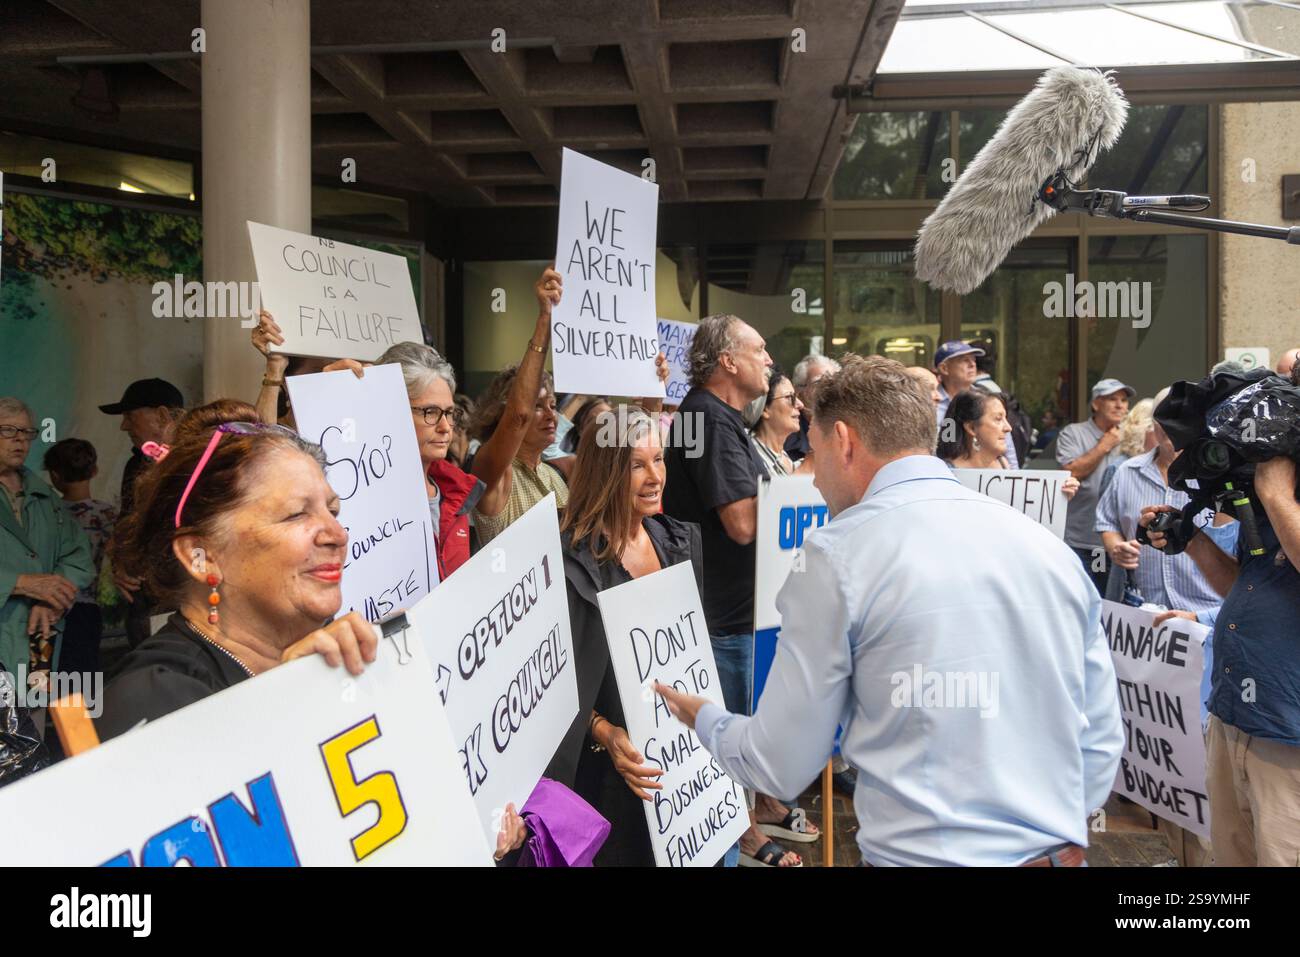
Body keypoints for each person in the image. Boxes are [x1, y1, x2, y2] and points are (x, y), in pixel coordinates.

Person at [656, 355, 1124, 866]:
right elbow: (1100, 732)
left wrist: (703, 717)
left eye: (814, 454)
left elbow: (779, 765)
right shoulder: (1044, 545)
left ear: (843, 441)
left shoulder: (836, 557)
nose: (813, 480)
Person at [99, 401, 530, 859]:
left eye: (333, 509)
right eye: (295, 515)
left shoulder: (343, 661)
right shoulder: (148, 703)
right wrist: (289, 711)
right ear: (202, 555)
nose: (337, 533)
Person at [662, 314, 817, 867]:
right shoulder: (708, 418)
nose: (769, 359)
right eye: (759, 348)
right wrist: (816, 473)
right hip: (723, 619)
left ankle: (740, 834)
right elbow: (745, 524)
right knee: (725, 748)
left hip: (732, 612)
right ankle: (733, 844)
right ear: (728, 360)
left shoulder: (718, 419)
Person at [549, 404, 701, 865]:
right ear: (607, 472)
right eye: (637, 465)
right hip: (607, 779)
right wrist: (604, 732)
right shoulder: (572, 564)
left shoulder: (678, 541)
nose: (654, 476)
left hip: (677, 768)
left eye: (658, 460)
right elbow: (557, 685)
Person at [1141, 452, 1300, 867]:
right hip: (1232, 714)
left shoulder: (1277, 490)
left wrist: (1276, 494)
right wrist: (1192, 540)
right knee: (1231, 856)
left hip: (1288, 733)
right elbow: (1247, 586)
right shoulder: (1277, 488)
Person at [0, 398, 95, 686]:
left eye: (27, 433)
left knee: (32, 727)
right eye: (8, 431)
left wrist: (52, 594)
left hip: (34, 648)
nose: (20, 441)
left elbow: (78, 556)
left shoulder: (45, 497)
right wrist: (19, 583)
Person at [99, 377, 184, 648]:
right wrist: (120, 563)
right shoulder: (135, 464)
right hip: (143, 603)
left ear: (161, 415)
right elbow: (126, 524)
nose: (124, 426)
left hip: (184, 598)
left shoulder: (196, 460)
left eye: (129, 416)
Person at [42, 438, 116, 677]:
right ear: (94, 471)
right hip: (89, 609)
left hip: (50, 606)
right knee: (84, 676)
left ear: (54, 475)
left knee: (49, 675)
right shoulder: (108, 514)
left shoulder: (47, 512)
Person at [1056, 378, 1134, 590]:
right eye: (1112, 399)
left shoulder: (1132, 436)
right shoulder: (1073, 433)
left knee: (1115, 606)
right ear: (1096, 404)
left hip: (1120, 543)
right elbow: (1070, 472)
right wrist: (1104, 446)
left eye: (1124, 400)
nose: (1120, 405)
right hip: (1081, 540)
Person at [783, 354, 841, 462]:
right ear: (799, 392)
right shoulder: (787, 435)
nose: (828, 389)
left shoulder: (849, 429)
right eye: (819, 383)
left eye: (833, 383)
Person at [749, 367, 805, 476]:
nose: (800, 405)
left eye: (796, 397)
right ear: (764, 409)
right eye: (789, 397)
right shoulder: (749, 459)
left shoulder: (784, 458)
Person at [932, 339, 983, 423]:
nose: (972, 364)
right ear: (944, 369)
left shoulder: (984, 399)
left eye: (973, 360)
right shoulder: (932, 401)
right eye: (965, 360)